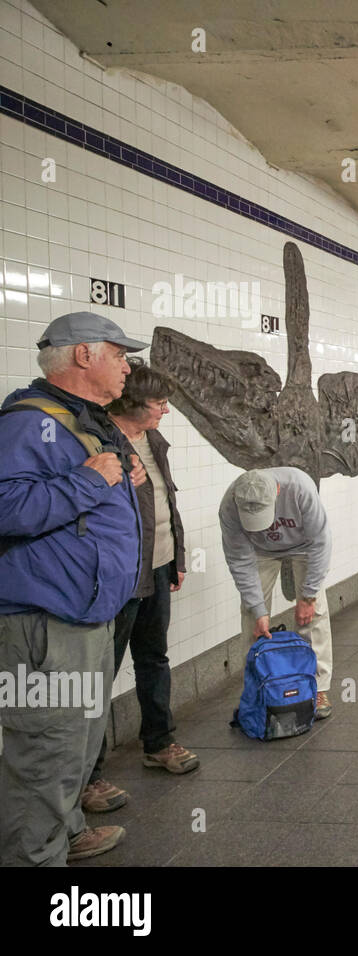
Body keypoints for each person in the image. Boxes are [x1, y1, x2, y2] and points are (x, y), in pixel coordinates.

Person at [0, 311, 148, 865]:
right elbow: (6, 506)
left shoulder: (80, 420)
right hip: (44, 623)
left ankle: (65, 833)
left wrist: (115, 478)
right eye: (119, 354)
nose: (128, 367)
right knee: (46, 755)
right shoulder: (27, 422)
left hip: (84, 616)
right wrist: (91, 480)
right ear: (83, 356)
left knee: (77, 748)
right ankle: (34, 856)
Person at [82, 359, 198, 817]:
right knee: (99, 674)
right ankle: (88, 775)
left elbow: (168, 500)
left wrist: (177, 558)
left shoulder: (153, 440)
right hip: (118, 578)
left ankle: (159, 743)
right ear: (131, 403)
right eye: (159, 402)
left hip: (157, 567)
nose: (166, 410)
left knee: (154, 658)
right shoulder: (98, 440)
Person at [219, 468, 334, 718]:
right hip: (260, 551)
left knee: (313, 616)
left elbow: (321, 542)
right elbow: (239, 559)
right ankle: (257, 689)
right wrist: (259, 610)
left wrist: (308, 596)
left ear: (277, 491)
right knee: (252, 618)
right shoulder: (230, 504)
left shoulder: (300, 487)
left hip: (304, 546)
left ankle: (318, 687)